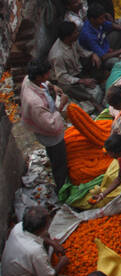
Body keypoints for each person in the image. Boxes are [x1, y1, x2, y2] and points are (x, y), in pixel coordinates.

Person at [1, 205, 70, 276]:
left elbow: (42, 235)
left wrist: (53, 243)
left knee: (46, 235)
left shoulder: (18, 227)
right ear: (43, 226)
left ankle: (44, 265)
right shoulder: (34, 251)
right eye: (49, 221)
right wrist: (62, 262)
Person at [20, 58, 69, 189]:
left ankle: (55, 166)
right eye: (47, 73)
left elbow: (45, 83)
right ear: (39, 76)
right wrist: (61, 105)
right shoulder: (35, 102)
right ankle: (62, 187)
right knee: (59, 161)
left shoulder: (29, 79)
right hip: (50, 133)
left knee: (54, 156)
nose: (49, 75)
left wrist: (53, 86)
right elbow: (52, 125)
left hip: (44, 122)